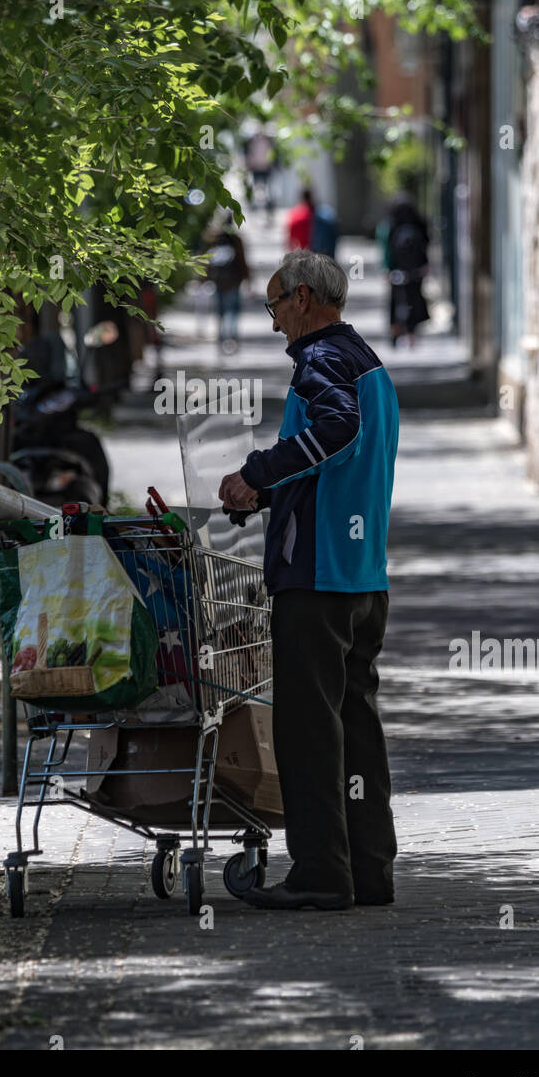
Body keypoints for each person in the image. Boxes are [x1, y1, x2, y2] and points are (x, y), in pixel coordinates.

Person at [218, 250, 399, 910]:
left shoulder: (322, 360)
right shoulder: (366, 362)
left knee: (307, 728)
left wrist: (257, 472)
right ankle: (369, 868)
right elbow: (335, 466)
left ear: (301, 298)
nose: (272, 325)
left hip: (318, 577)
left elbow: (336, 429)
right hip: (362, 577)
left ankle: (322, 870)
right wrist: (265, 497)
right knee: (355, 724)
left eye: (273, 307)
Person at [381, 194, 430, 347]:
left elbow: (386, 249)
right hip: (416, 270)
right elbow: (426, 243)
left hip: (397, 270)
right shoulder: (419, 222)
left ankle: (394, 333)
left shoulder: (391, 223)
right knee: (414, 299)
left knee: (395, 300)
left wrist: (387, 269)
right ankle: (411, 335)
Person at [205, 216, 249, 352]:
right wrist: (246, 278)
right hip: (234, 281)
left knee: (221, 311)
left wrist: (205, 278)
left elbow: (206, 259)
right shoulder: (236, 239)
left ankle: (221, 337)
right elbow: (242, 260)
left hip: (218, 281)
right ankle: (232, 337)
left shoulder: (213, 238)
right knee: (233, 311)